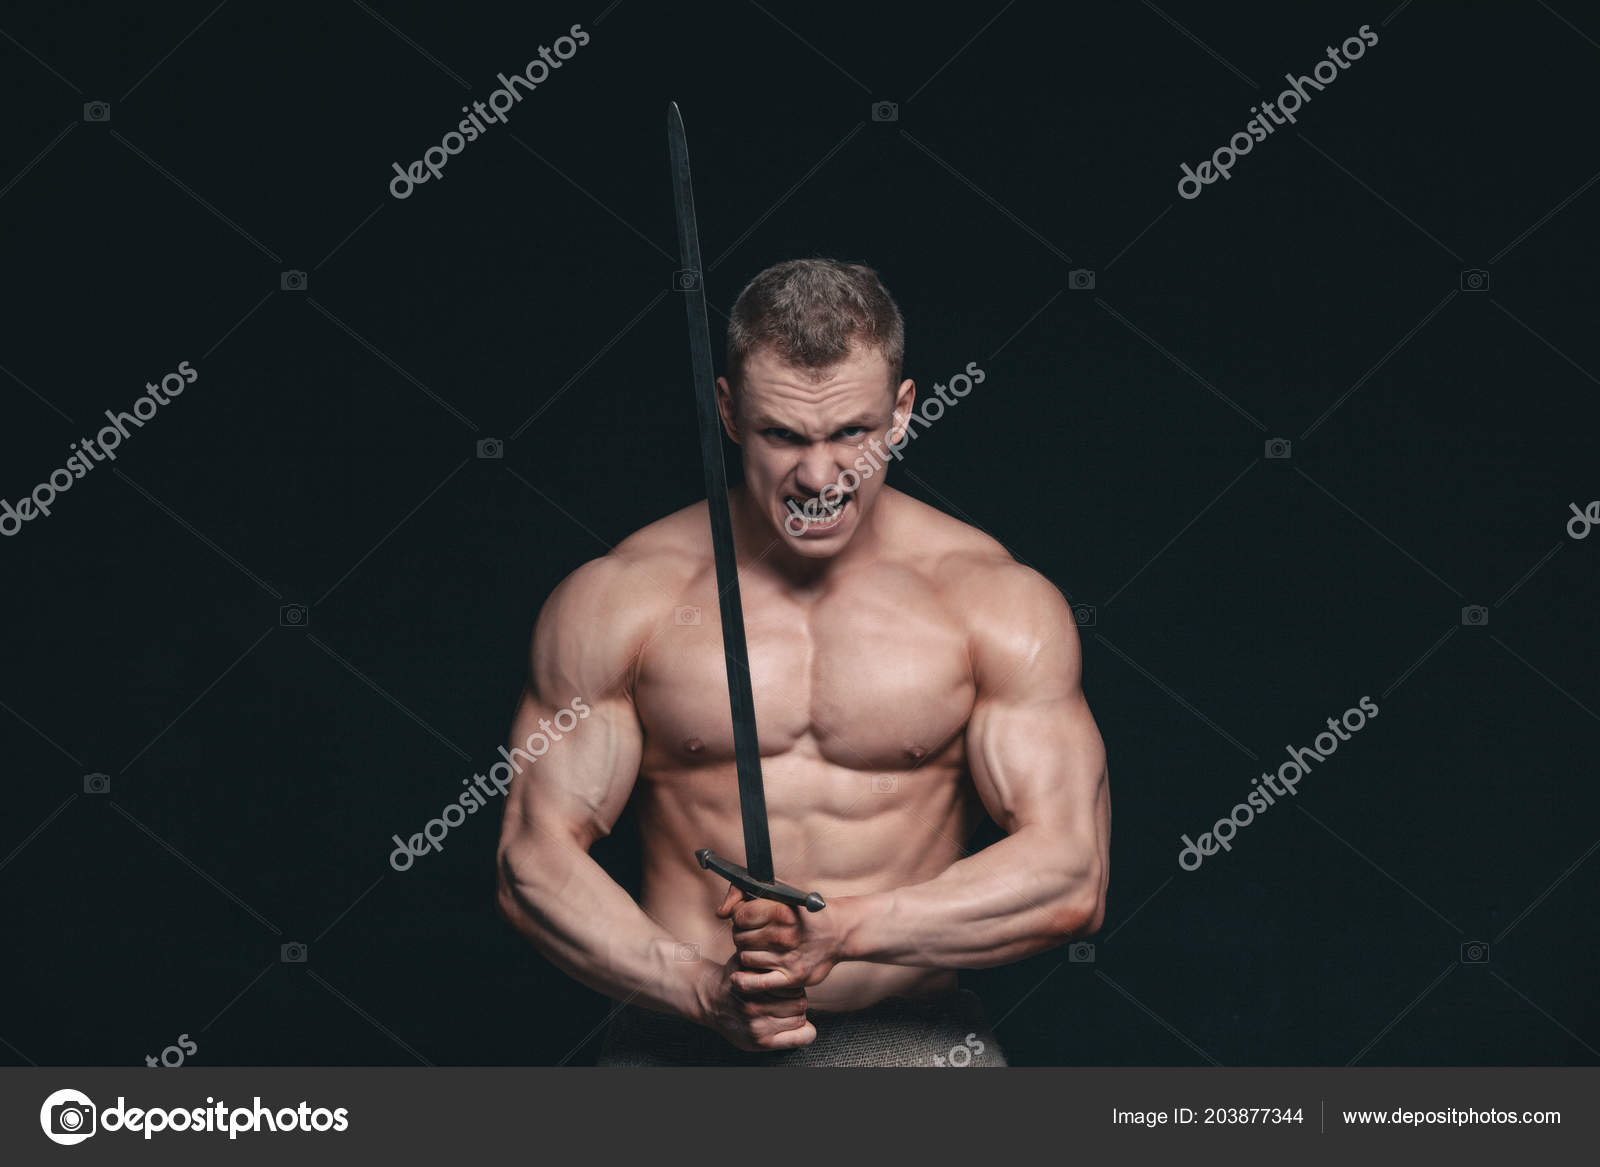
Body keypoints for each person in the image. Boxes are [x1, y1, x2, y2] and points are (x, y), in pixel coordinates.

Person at [495, 259, 1110, 1065]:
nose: (818, 476)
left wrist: (851, 927)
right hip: (679, 1040)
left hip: (908, 1044)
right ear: (728, 411)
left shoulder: (991, 602)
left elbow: (1071, 871)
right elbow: (530, 861)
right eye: (784, 434)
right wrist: (698, 989)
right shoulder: (622, 599)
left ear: (902, 410)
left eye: (851, 432)